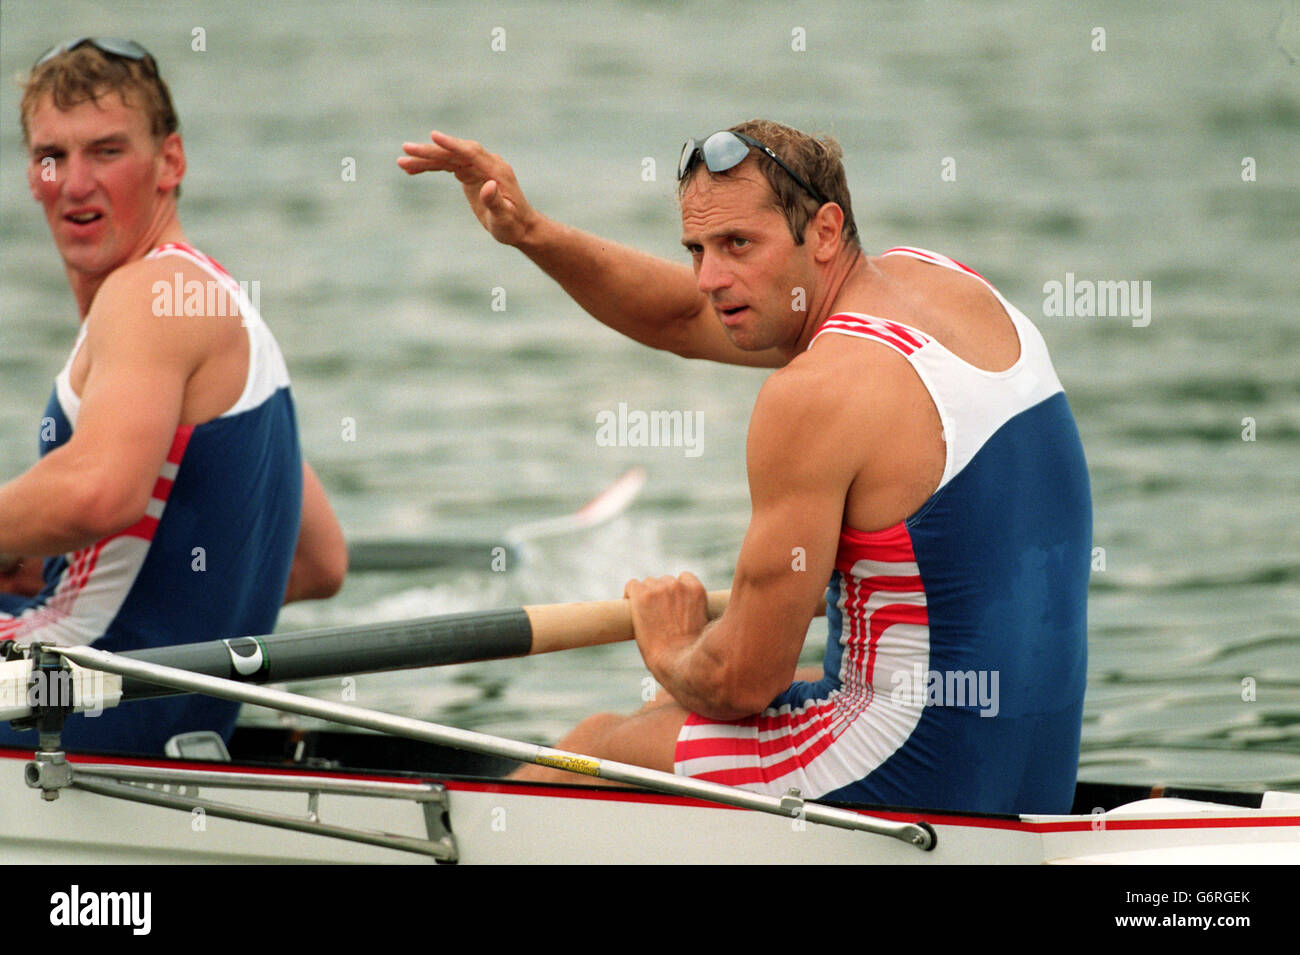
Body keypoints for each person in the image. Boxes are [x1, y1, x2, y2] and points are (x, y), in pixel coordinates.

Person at [399, 121, 1090, 814]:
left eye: (737, 245)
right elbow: (677, 318)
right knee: (679, 706)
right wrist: (530, 231)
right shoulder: (948, 285)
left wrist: (669, 644)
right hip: (1035, 767)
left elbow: (740, 680)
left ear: (823, 230)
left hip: (917, 774)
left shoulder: (813, 392)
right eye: (696, 250)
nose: (709, 278)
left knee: (593, 748)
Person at [0, 38, 347, 755]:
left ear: (171, 162)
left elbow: (100, 493)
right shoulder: (214, 304)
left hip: (84, 707)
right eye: (52, 156)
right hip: (163, 712)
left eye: (106, 151)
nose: (74, 182)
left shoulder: (152, 295)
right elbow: (319, 560)